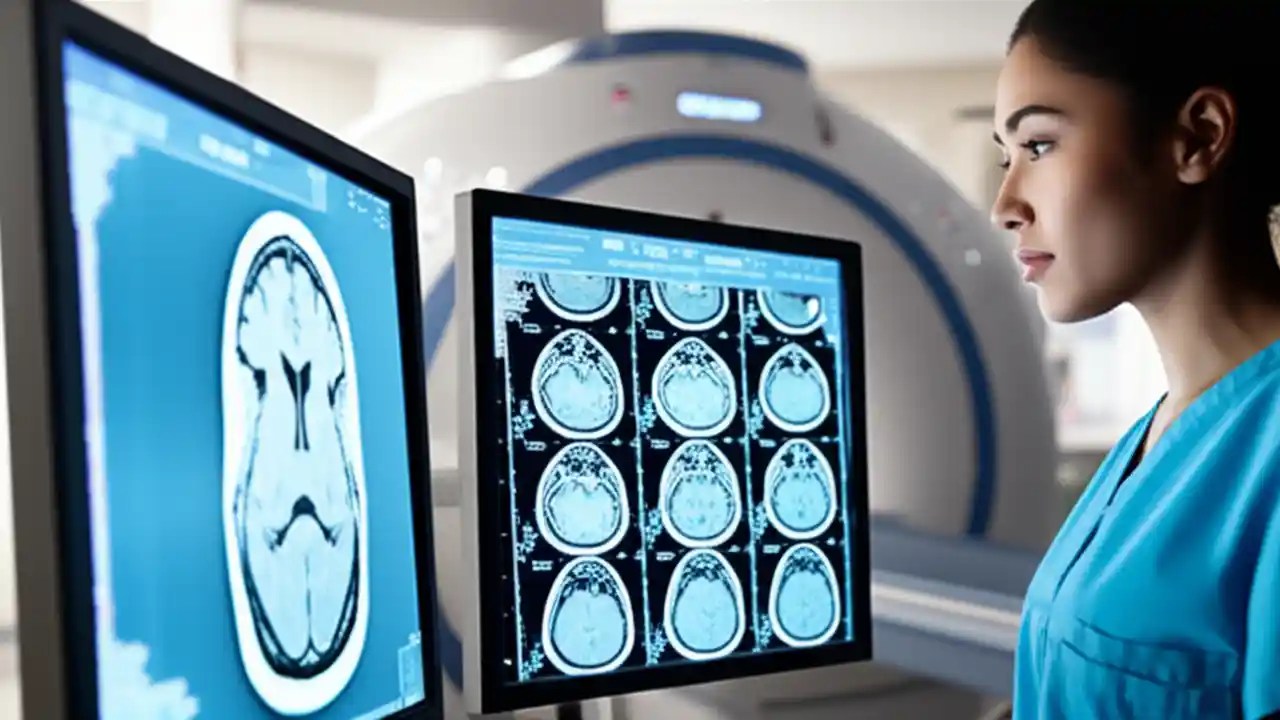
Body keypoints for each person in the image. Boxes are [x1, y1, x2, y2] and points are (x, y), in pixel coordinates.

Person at [990, 0, 1280, 717]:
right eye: (1006, 156)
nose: (1004, 204)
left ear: (1198, 138)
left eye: (1039, 146)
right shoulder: (1159, 436)